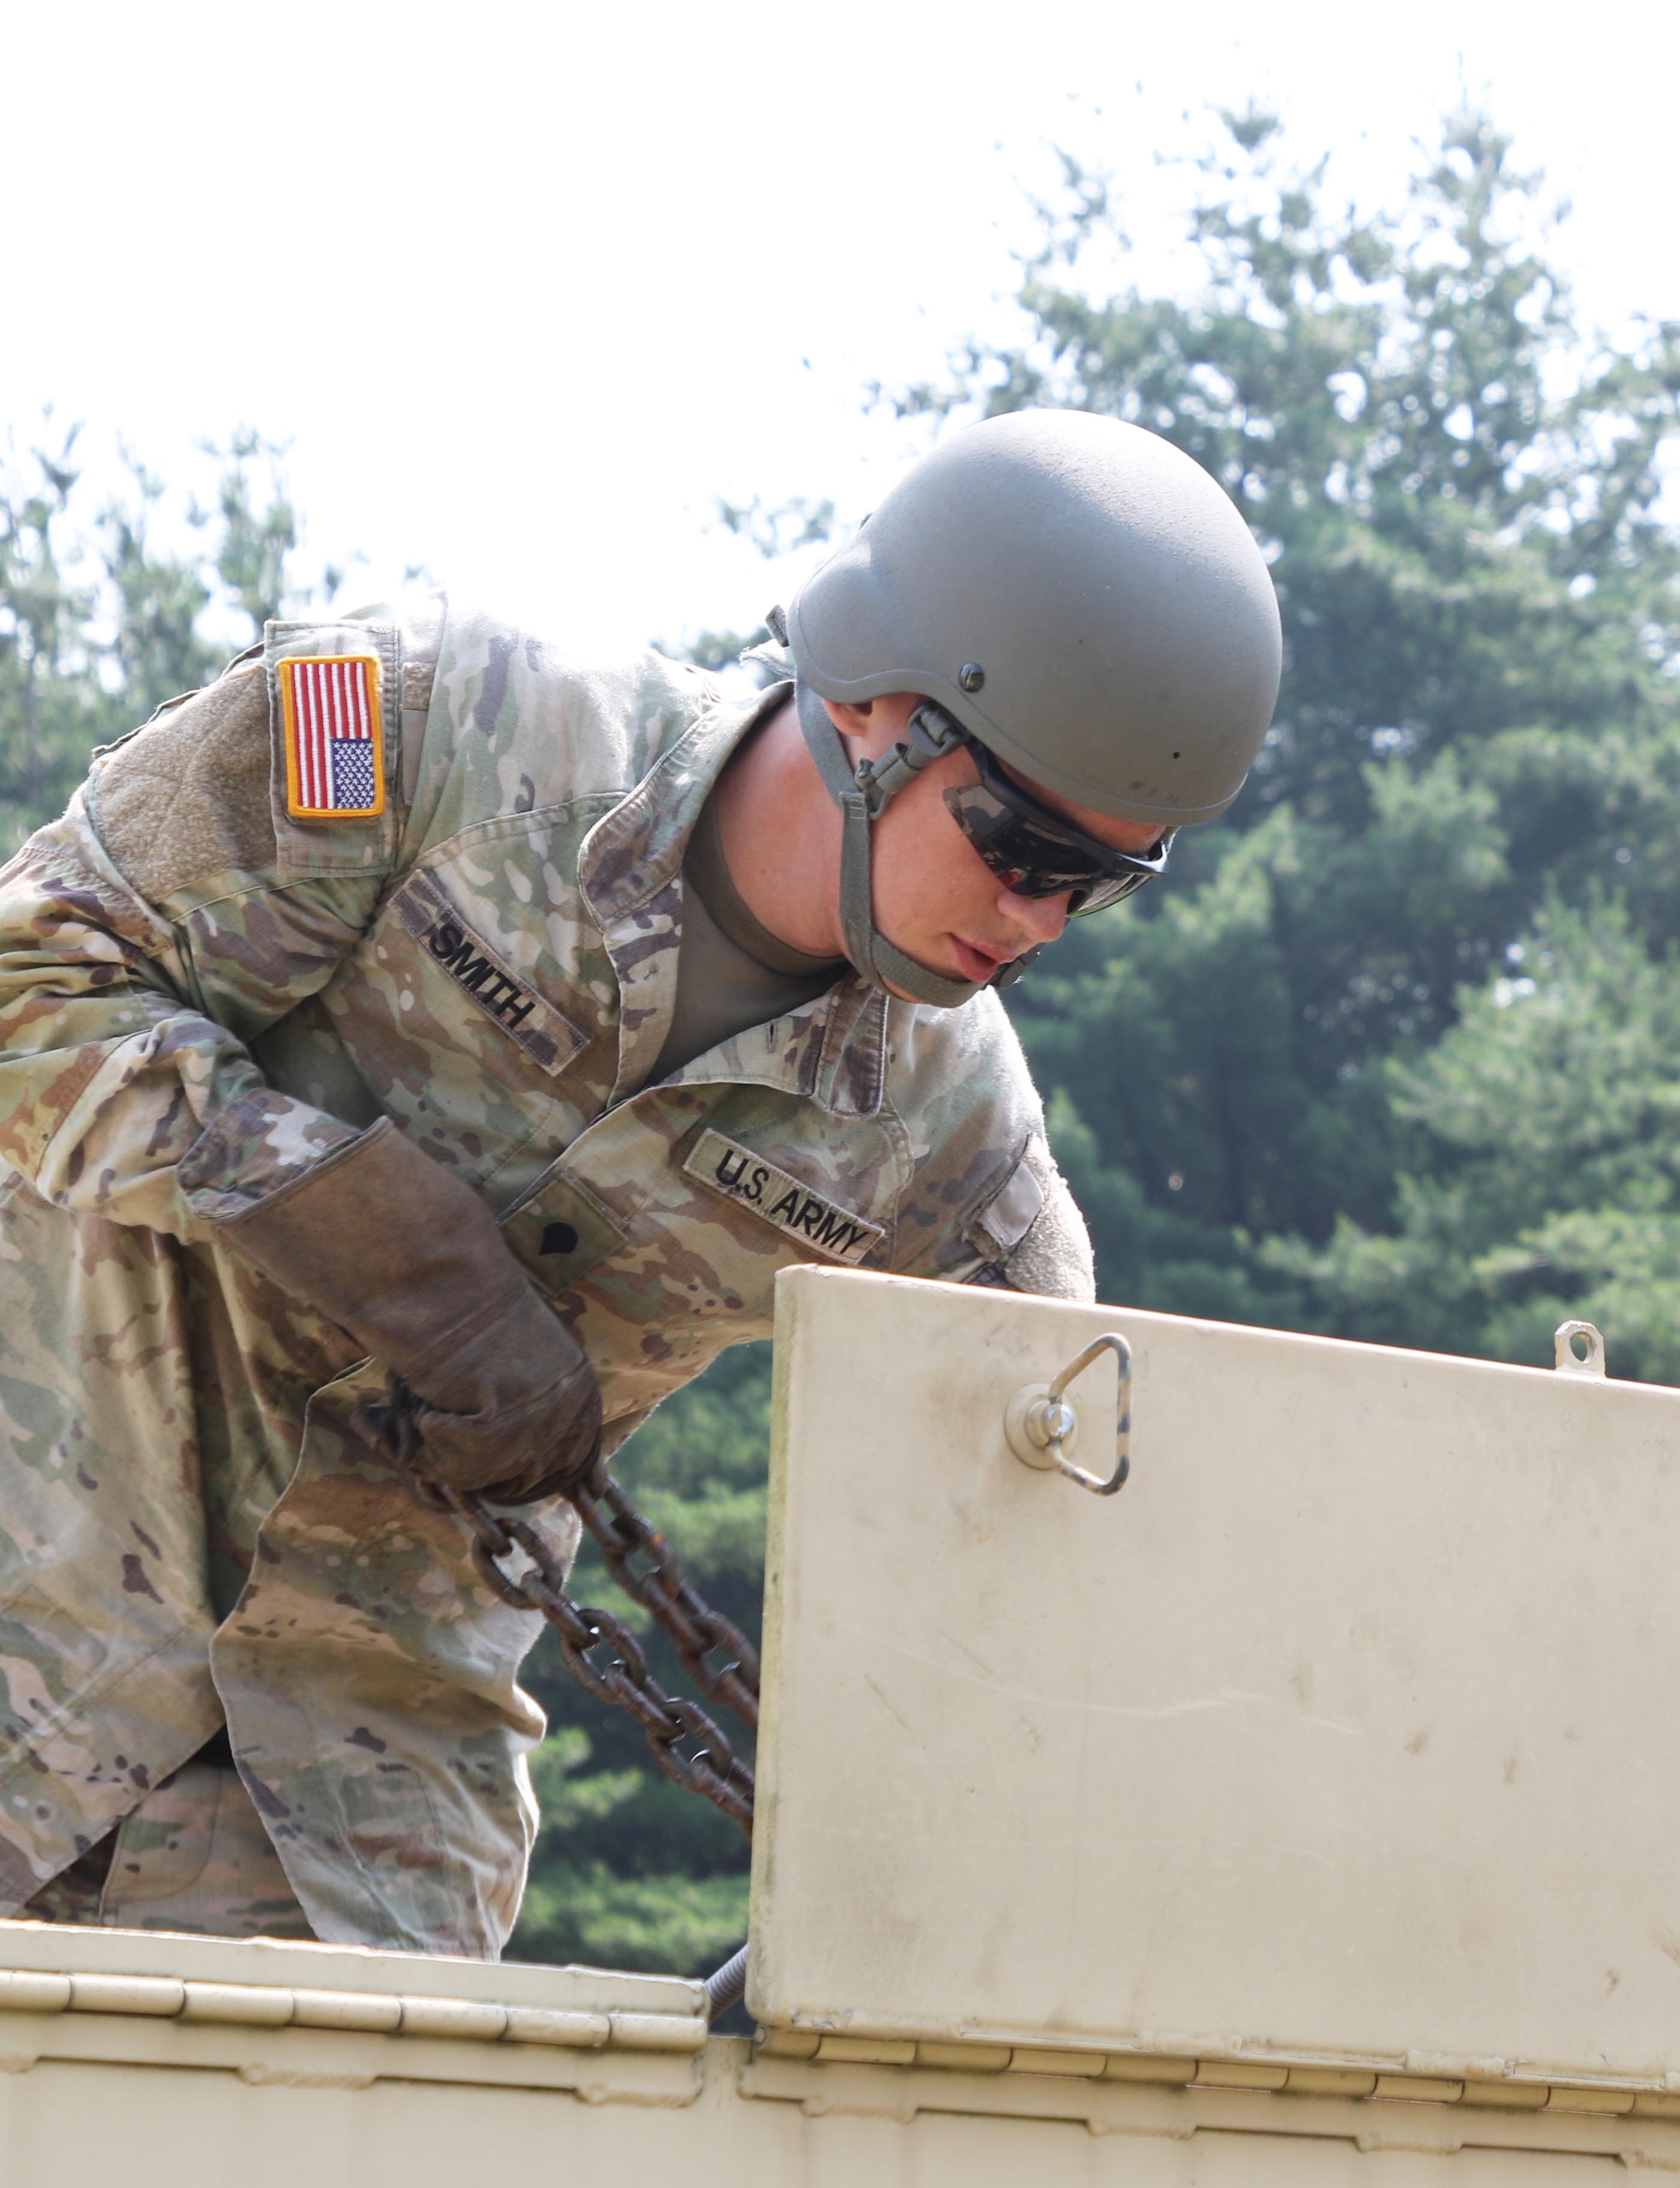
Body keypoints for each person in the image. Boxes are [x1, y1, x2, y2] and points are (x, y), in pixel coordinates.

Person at [0, 408, 1283, 1956]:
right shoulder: (433, 736)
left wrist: (883, 1910)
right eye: (1019, 845)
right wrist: (361, 1232)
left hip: (346, 1838)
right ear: (877, 705)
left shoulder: (947, 1155)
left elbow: (1040, 1545)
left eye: (1102, 881)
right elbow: (36, 983)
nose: (1046, 918)